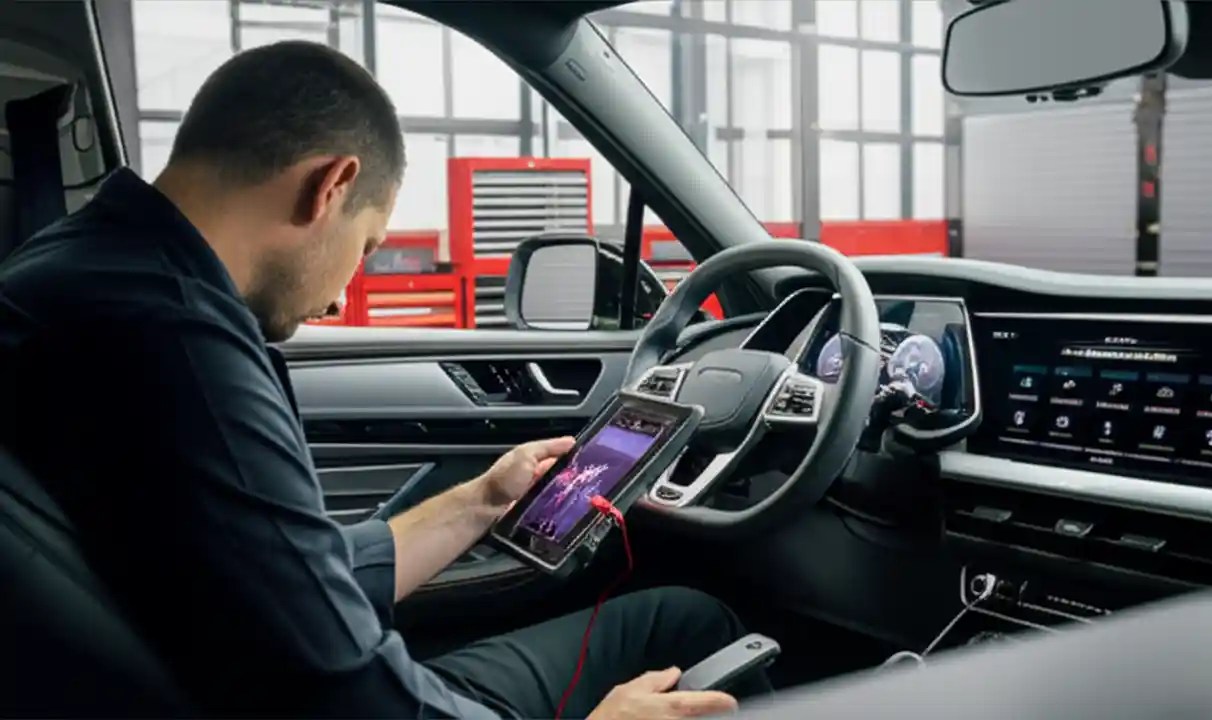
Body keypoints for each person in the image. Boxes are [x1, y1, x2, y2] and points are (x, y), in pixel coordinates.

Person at [0, 41, 767, 718]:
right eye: (365, 247)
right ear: (329, 186)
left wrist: (477, 503)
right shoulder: (177, 345)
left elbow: (276, 569)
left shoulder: (74, 273)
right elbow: (338, 689)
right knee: (687, 626)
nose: (340, 297)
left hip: (204, 670)